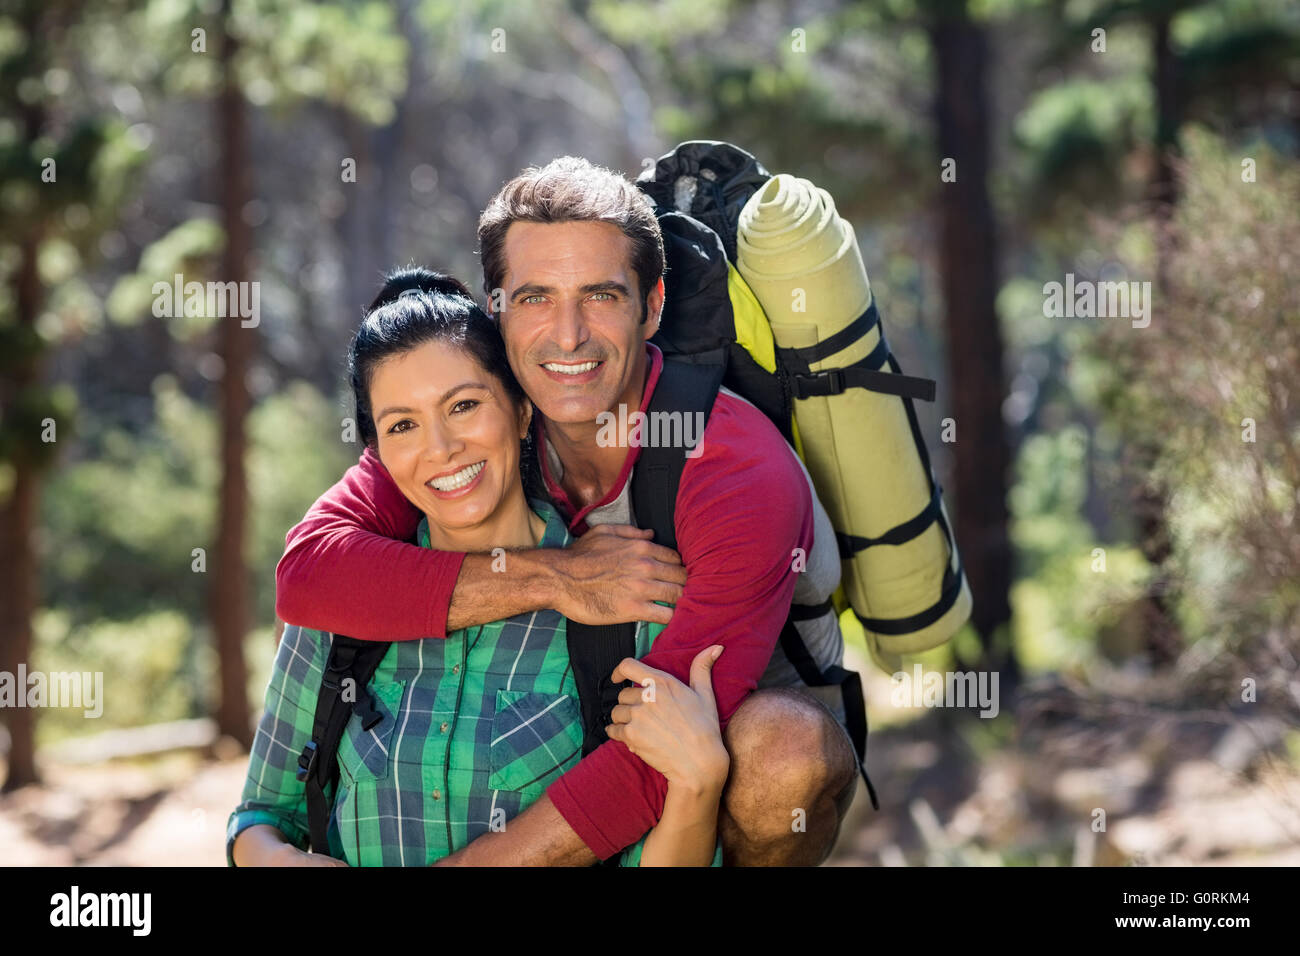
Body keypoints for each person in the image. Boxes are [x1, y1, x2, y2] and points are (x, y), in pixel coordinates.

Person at [276, 158, 859, 866]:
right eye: (534, 298)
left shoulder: (734, 470)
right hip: (576, 704)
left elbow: (654, 758)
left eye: (602, 295)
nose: (569, 334)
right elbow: (306, 574)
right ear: (496, 309)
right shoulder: (475, 417)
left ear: (652, 305)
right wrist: (551, 577)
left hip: (740, 710)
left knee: (777, 757)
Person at [228, 270, 727, 866]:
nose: (440, 449)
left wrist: (698, 788)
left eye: (463, 405)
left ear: (521, 411)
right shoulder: (340, 610)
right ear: (379, 454)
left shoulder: (622, 594)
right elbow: (260, 818)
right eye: (402, 425)